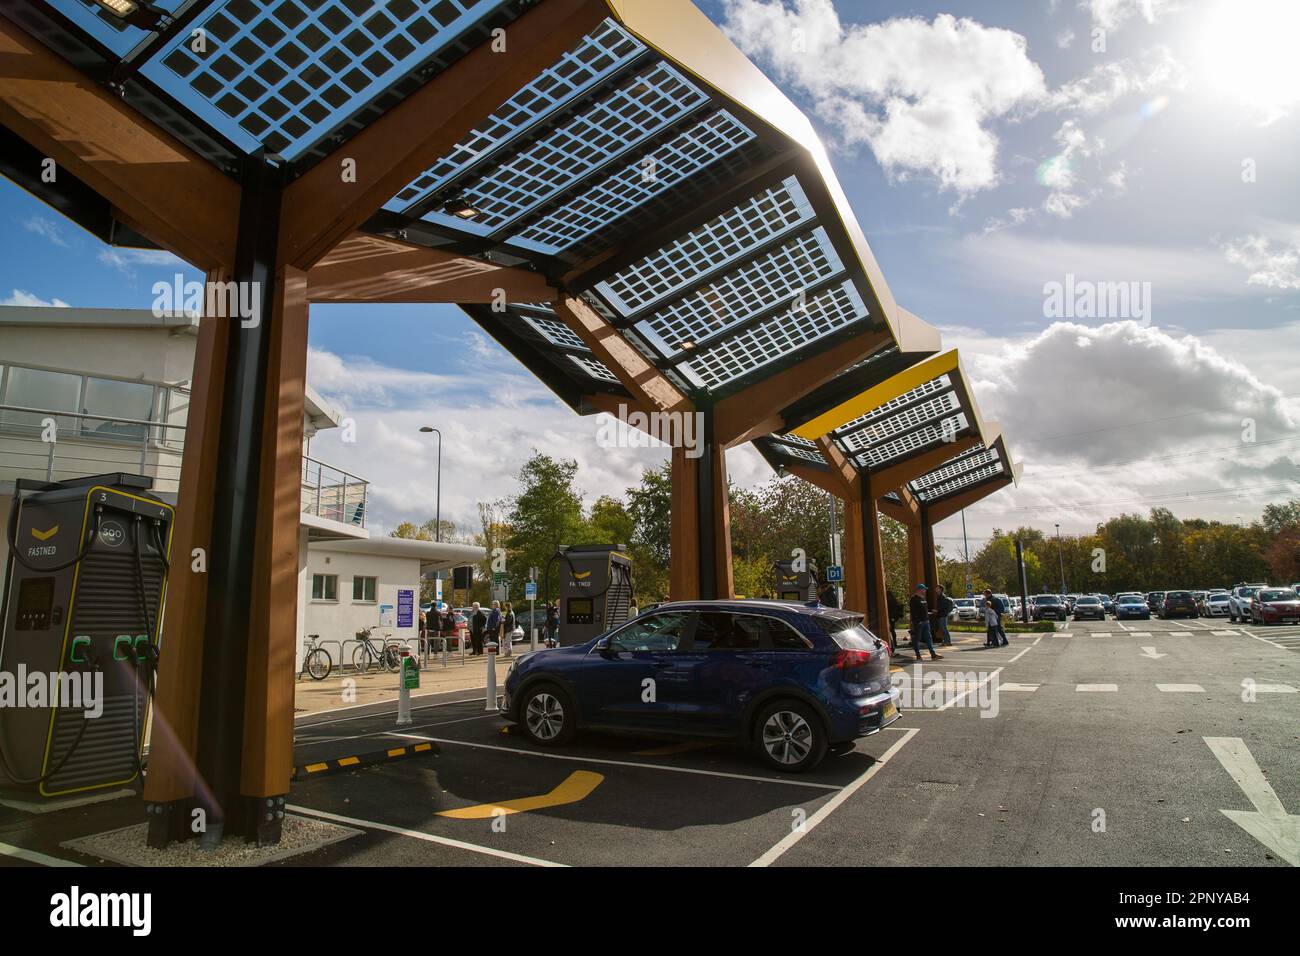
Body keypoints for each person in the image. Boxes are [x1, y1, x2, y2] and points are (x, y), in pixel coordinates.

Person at [909, 583, 941, 661]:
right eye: (924, 589)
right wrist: (917, 621)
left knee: (929, 638)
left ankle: (933, 654)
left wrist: (928, 615)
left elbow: (924, 610)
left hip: (926, 621)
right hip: (918, 623)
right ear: (920, 590)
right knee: (917, 639)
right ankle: (918, 655)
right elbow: (913, 612)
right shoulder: (913, 599)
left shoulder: (923, 598)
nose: (925, 591)